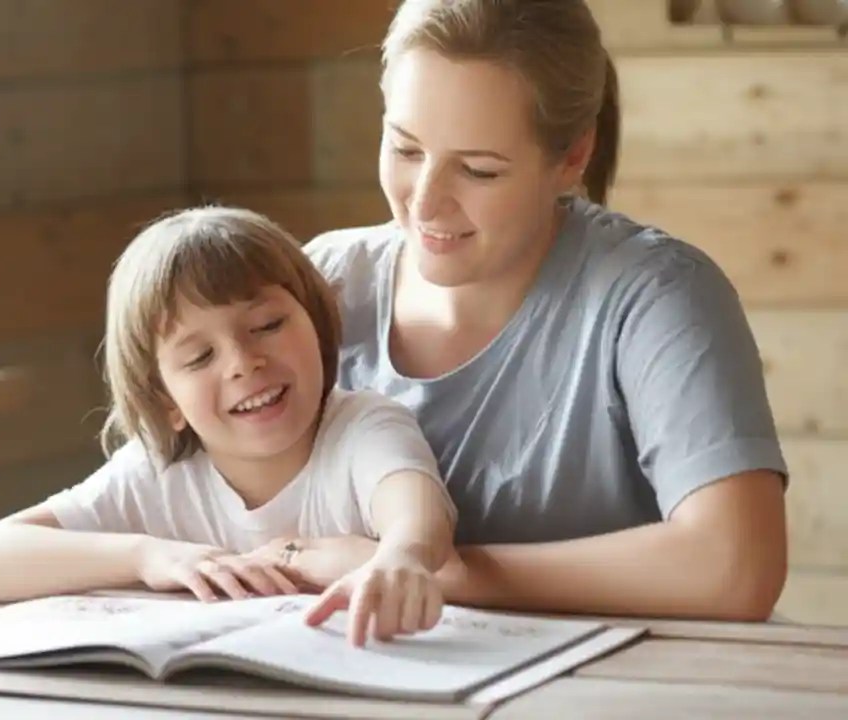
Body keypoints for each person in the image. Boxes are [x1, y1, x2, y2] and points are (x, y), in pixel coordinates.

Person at [287, 0, 788, 622]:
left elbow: (736, 569)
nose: (427, 202)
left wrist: (431, 571)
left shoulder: (657, 295)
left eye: (478, 170)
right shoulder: (321, 284)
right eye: (406, 149)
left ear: (573, 157)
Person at [0, 206, 458, 646]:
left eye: (267, 327)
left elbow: (417, 511)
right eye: (199, 357)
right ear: (165, 398)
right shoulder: (160, 470)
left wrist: (402, 557)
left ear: (320, 326)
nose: (242, 361)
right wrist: (146, 555)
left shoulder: (362, 426)